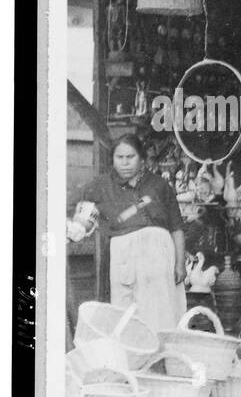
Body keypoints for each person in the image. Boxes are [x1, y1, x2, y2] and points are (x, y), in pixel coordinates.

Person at [70, 133, 187, 333]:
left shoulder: (160, 186)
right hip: (122, 259)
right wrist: (79, 226)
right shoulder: (100, 186)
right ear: (113, 159)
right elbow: (79, 214)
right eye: (120, 158)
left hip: (158, 259)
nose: (125, 163)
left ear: (141, 159)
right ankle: (130, 359)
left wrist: (180, 263)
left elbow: (176, 228)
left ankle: (162, 359)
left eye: (130, 157)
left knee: (161, 312)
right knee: (125, 315)